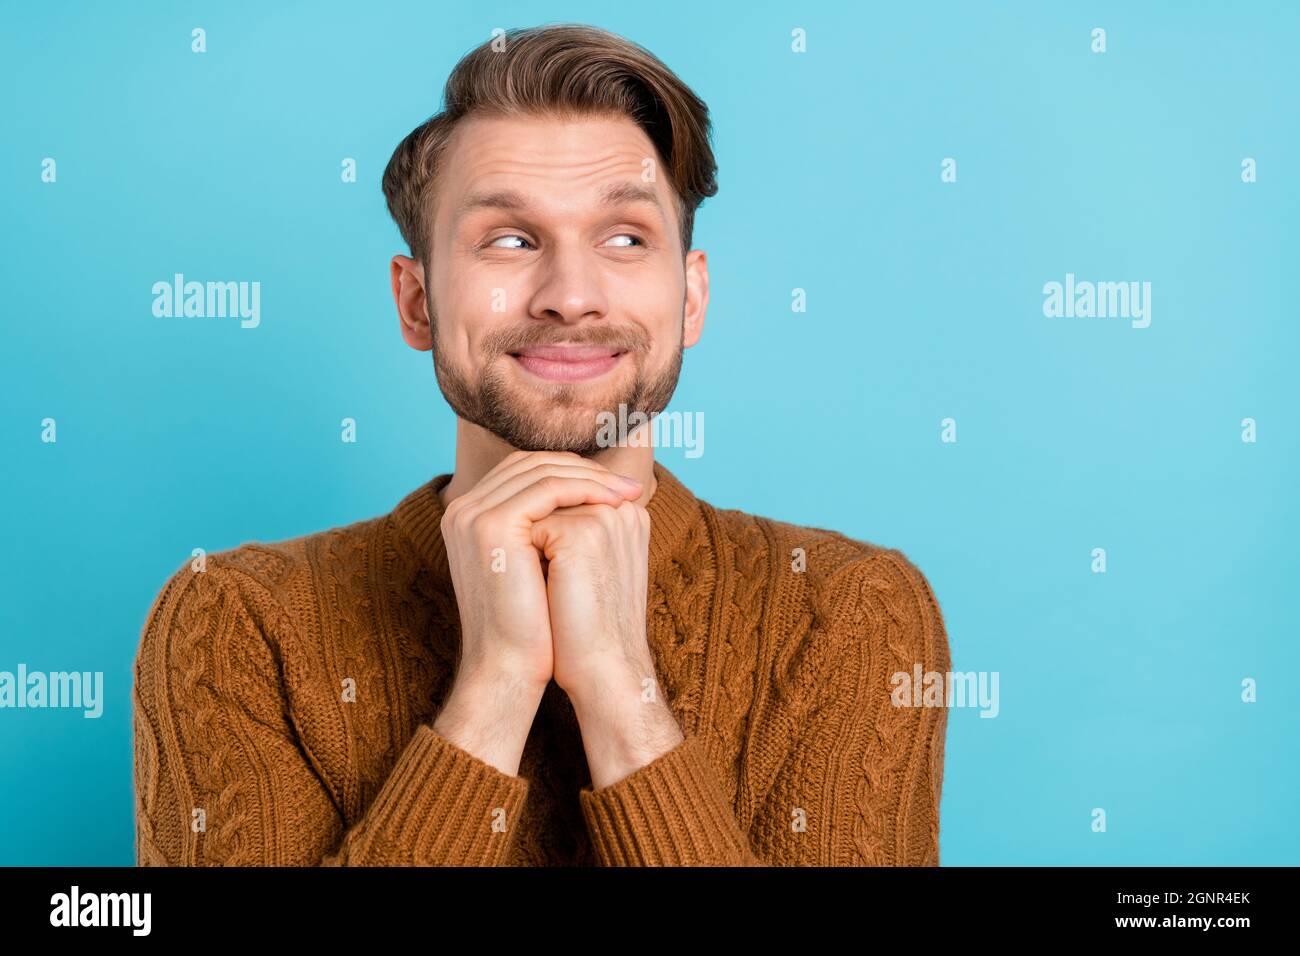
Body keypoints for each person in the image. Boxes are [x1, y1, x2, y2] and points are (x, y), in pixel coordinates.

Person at [132, 23, 951, 867]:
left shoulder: (851, 610)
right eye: (510, 240)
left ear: (691, 297)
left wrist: (621, 698)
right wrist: (494, 686)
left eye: (625, 238)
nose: (570, 295)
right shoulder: (238, 622)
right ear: (416, 303)